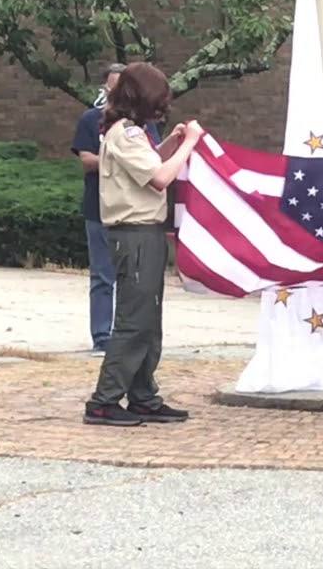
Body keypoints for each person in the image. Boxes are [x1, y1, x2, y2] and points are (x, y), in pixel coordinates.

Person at [83, 62, 203, 427]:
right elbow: (160, 178)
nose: (162, 107)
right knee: (134, 322)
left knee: (149, 321)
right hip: (134, 233)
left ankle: (142, 395)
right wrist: (192, 144)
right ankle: (104, 400)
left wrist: (170, 144)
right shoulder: (127, 134)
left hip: (145, 233)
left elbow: (151, 163)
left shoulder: (133, 133)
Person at [71, 63, 161, 356]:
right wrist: (118, 161)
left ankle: (127, 334)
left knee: (133, 280)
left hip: (133, 210)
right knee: (102, 275)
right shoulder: (94, 121)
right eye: (113, 88)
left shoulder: (143, 124)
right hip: (99, 207)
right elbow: (86, 159)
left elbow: (153, 160)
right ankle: (102, 336)